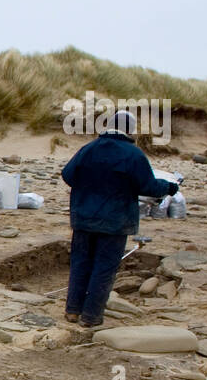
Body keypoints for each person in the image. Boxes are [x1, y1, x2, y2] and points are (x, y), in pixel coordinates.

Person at [60, 110, 181, 327]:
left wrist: (89, 187)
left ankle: (73, 310)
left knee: (80, 263)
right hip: (114, 221)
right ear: (130, 129)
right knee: (104, 267)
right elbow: (149, 186)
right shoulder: (133, 154)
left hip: (84, 218)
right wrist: (170, 187)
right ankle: (91, 316)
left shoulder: (89, 149)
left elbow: (68, 175)